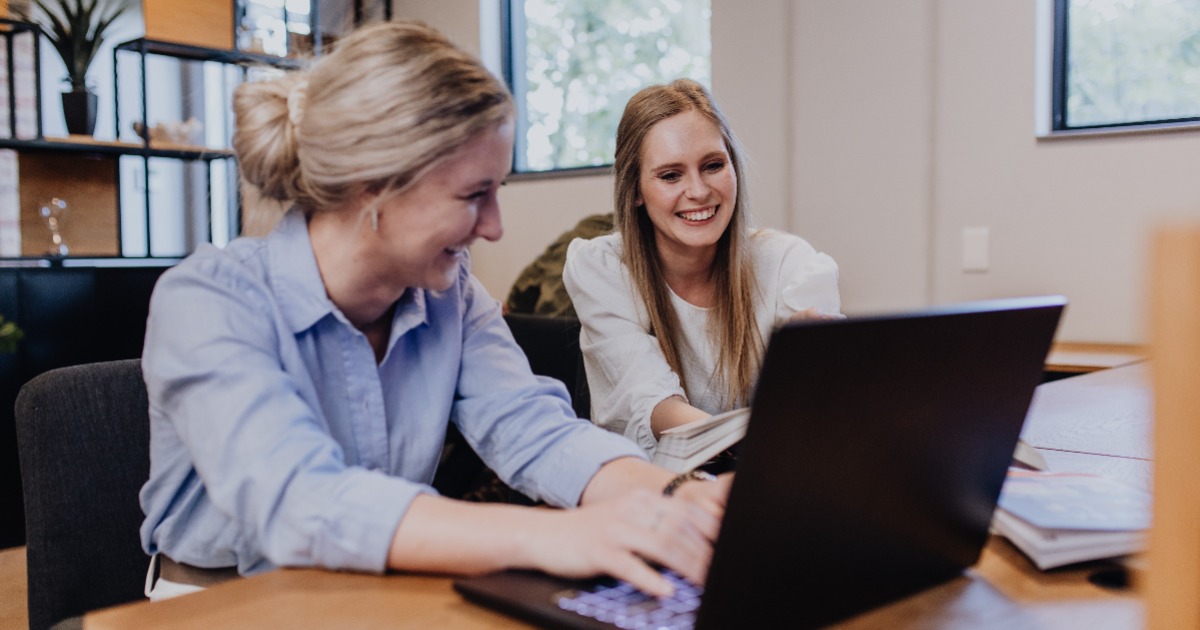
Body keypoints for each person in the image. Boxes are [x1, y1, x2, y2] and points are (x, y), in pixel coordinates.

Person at [138, 22, 730, 602]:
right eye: (475, 195)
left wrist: (677, 496)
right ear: (375, 186)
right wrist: (556, 536)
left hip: (379, 593)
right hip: (222, 604)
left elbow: (535, 431)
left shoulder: (450, 295)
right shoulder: (207, 300)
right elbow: (299, 500)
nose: (495, 228)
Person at [563, 79, 841, 456]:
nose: (698, 191)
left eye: (712, 166)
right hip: (652, 491)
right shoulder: (602, 267)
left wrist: (808, 368)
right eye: (670, 175)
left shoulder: (789, 263)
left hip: (762, 484)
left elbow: (821, 420)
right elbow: (653, 405)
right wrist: (755, 438)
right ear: (635, 191)